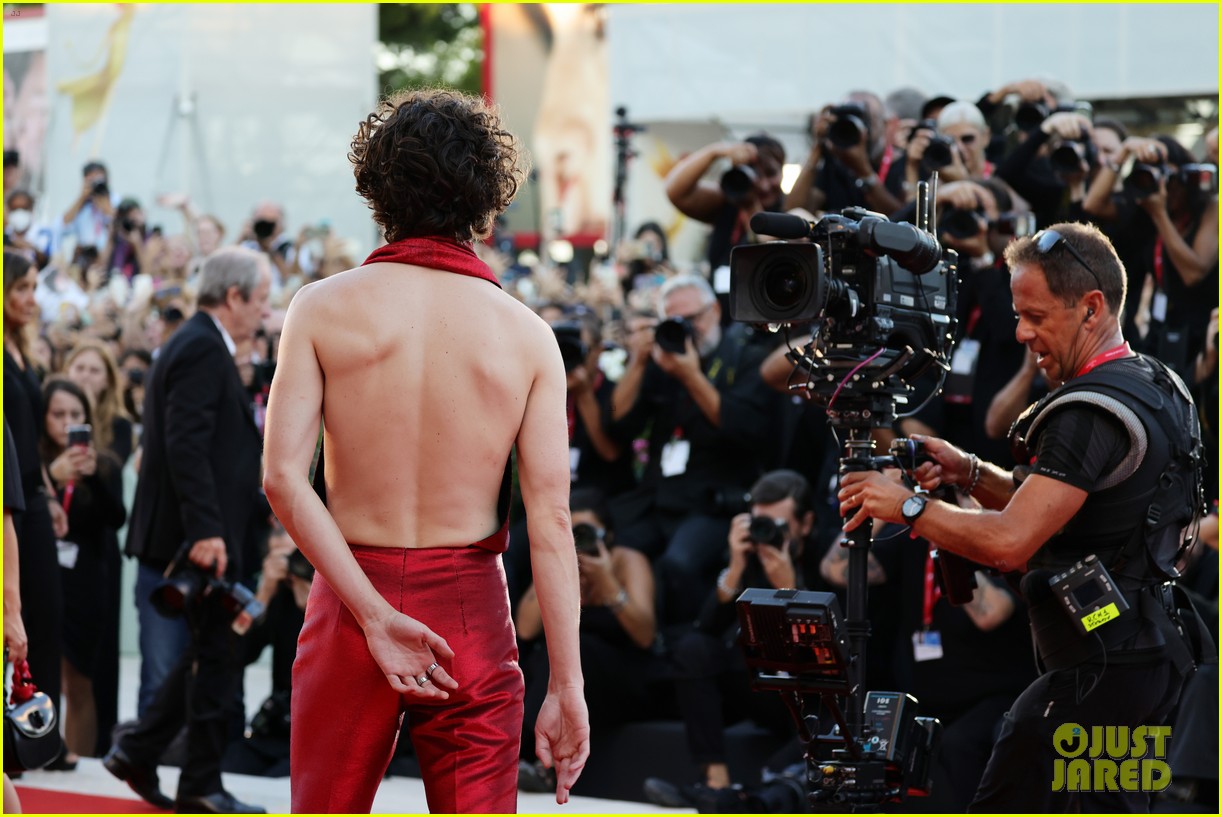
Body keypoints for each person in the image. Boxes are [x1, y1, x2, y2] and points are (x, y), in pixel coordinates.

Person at [261, 88, 589, 813]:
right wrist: (567, 685)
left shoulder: (320, 307)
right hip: (470, 612)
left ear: (377, 190)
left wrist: (374, 614)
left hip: (349, 598)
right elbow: (552, 523)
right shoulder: (529, 336)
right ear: (487, 202)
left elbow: (282, 478)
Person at [839, 221, 1208, 811]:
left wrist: (906, 505)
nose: (1020, 332)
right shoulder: (1157, 383)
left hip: (1099, 679)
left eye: (1035, 316)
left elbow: (1010, 541)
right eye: (1017, 315)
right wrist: (969, 472)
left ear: (1091, 308)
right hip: (1147, 662)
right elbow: (1054, 503)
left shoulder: (1086, 412)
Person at [104, 246, 271, 814]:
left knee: (208, 656)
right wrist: (206, 530)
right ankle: (196, 781)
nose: (264, 312)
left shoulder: (199, 343)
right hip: (197, 538)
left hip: (205, 533)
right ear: (234, 296)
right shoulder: (201, 347)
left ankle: (142, 753)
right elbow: (185, 443)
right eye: (261, 300)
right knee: (215, 659)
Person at [39, 378, 126, 761]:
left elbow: (116, 518)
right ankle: (41, 753)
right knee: (41, 675)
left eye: (76, 415)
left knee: (79, 681)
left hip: (85, 583)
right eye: (58, 414)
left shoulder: (103, 464)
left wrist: (92, 477)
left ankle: (78, 760)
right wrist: (50, 477)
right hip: (41, 578)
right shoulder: (33, 465)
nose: (66, 422)